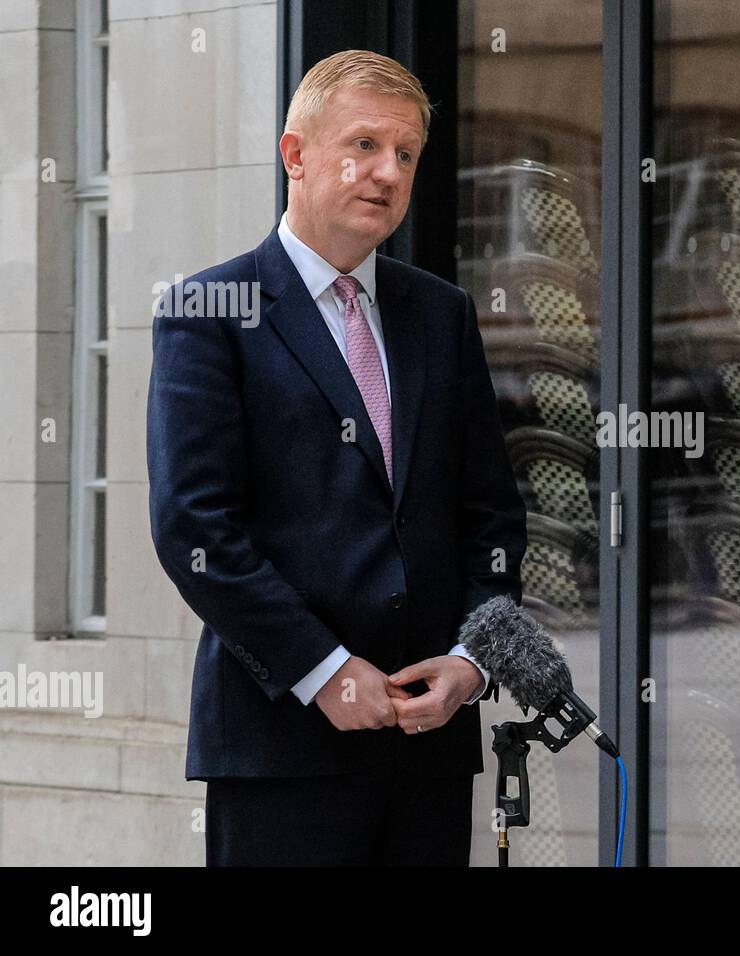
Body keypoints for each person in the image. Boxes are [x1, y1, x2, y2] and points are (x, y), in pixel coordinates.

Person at [146, 49, 526, 865]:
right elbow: (194, 530)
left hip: (427, 753)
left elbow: (490, 514)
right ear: (296, 154)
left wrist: (472, 662)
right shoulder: (211, 312)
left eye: (406, 154)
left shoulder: (442, 315)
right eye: (363, 145)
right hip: (281, 746)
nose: (386, 172)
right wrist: (321, 670)